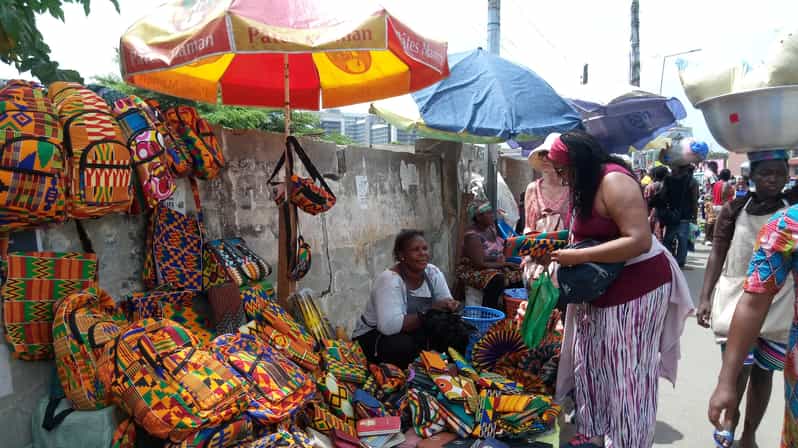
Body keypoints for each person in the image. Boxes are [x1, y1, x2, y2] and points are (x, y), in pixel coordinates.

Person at [548, 131, 693, 448]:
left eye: (563, 170)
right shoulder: (584, 185)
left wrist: (579, 255)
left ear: (580, 163)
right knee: (592, 361)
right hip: (599, 287)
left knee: (627, 373)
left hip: (637, 288)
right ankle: (592, 431)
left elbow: (638, 240)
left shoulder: (614, 182)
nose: (559, 176)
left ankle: (629, 441)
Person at [698, 150, 794, 448]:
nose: (773, 179)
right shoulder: (733, 209)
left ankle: (749, 434)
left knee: (765, 372)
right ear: (751, 177)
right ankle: (728, 425)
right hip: (736, 297)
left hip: (779, 300)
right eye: (766, 173)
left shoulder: (792, 210)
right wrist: (705, 296)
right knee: (737, 366)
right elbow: (717, 253)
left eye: (780, 173)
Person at [353, 230, 459, 367]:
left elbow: (445, 303)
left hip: (411, 331)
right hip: (373, 337)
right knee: (402, 346)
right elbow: (388, 327)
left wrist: (450, 306)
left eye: (425, 248)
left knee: (454, 331)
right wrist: (430, 312)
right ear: (401, 255)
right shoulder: (390, 280)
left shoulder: (432, 272)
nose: (423, 254)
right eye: (415, 250)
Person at [522, 133, 571, 282]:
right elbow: (528, 226)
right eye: (542, 154)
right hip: (536, 259)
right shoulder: (532, 189)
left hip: (567, 258)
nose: (545, 158)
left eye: (549, 154)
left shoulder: (573, 189)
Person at [457, 202, 523, 309]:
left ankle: (511, 308)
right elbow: (479, 263)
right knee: (496, 279)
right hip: (471, 269)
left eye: (491, 212)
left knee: (518, 274)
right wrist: (504, 264)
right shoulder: (472, 236)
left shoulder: (491, 228)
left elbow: (501, 247)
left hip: (493, 264)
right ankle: (489, 310)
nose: (492, 215)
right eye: (488, 213)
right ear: (478, 217)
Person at [654, 163, 699, 268]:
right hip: (685, 215)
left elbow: (663, 195)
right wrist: (695, 216)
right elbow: (694, 200)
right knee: (683, 240)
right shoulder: (692, 181)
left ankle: (667, 259)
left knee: (668, 238)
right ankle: (680, 261)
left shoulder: (668, 180)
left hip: (672, 213)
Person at [644, 166, 669, 240]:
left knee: (656, 236)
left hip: (655, 214)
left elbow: (647, 203)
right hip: (668, 214)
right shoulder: (670, 185)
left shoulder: (650, 187)